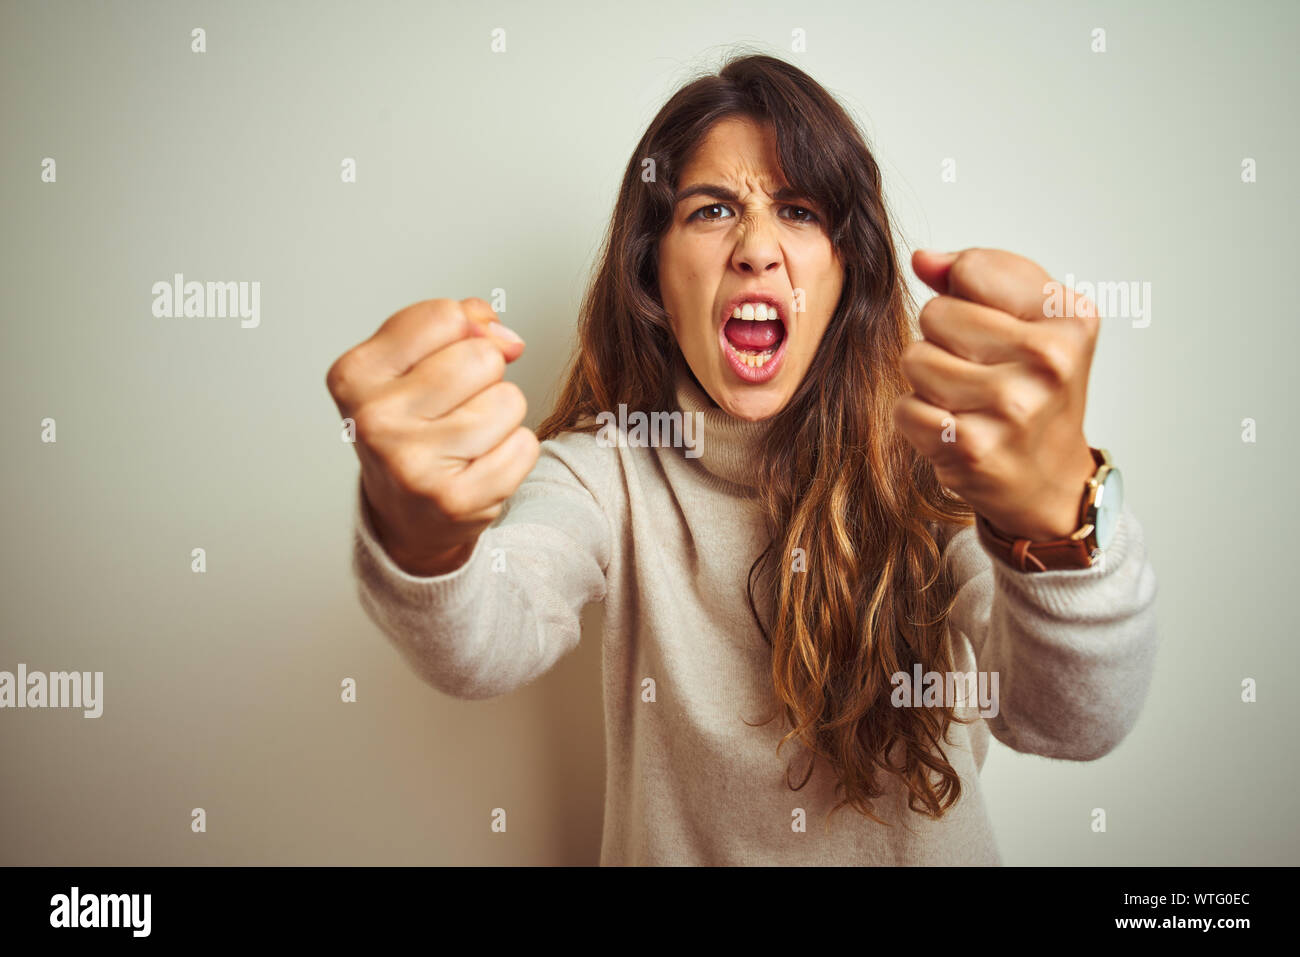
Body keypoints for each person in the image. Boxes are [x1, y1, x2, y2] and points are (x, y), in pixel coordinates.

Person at [324, 53, 1159, 865]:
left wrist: (1055, 521)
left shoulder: (939, 459)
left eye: (798, 210)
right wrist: (420, 538)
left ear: (845, 272)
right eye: (711, 210)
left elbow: (1070, 719)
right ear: (653, 271)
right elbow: (485, 638)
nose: (757, 247)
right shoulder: (604, 472)